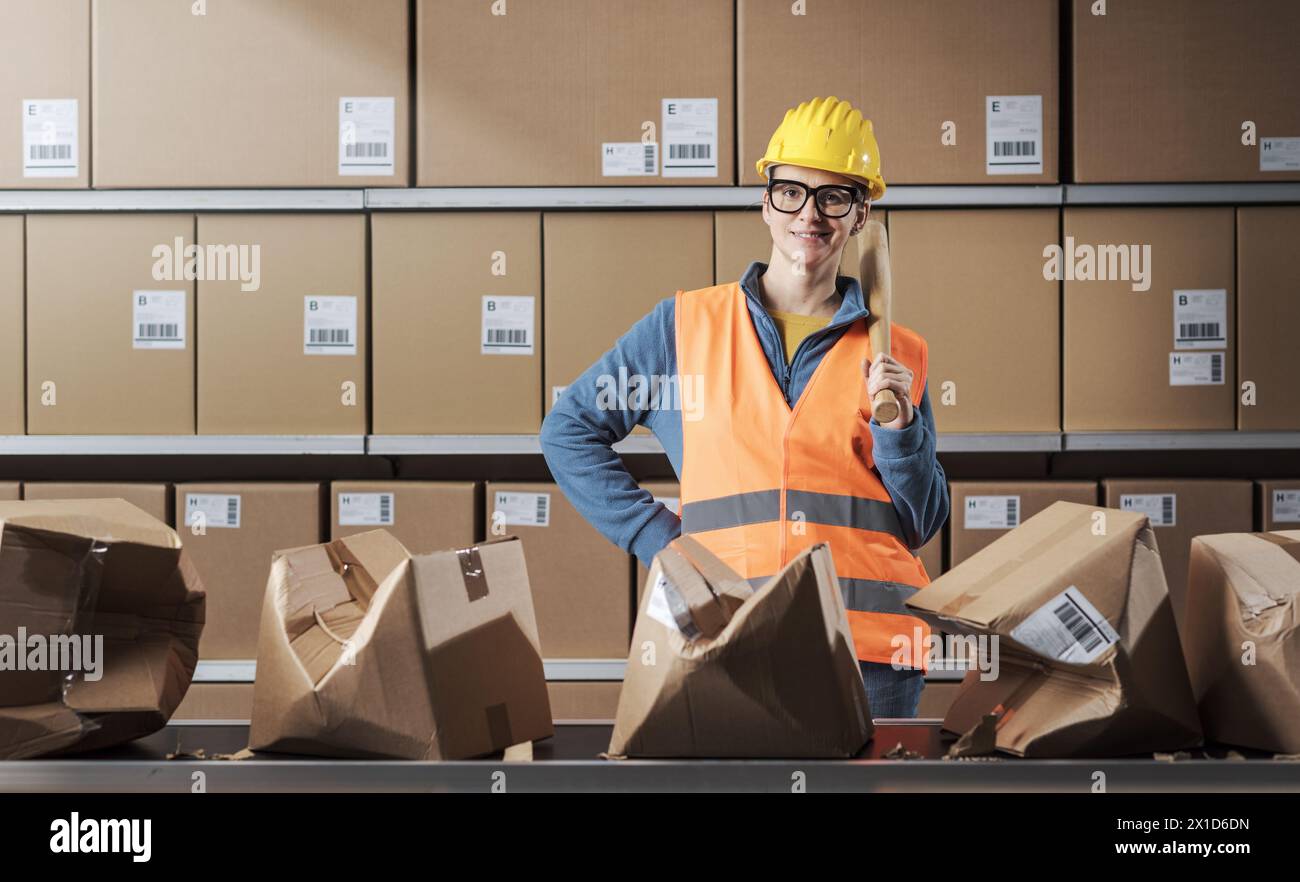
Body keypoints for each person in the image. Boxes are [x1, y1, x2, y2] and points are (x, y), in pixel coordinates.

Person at [540, 96, 948, 718]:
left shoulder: (899, 352)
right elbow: (568, 429)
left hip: (871, 655)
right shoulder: (683, 327)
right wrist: (659, 541)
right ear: (766, 201)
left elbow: (922, 521)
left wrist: (900, 429)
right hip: (724, 636)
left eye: (834, 197)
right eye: (792, 192)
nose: (809, 214)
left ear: (861, 214)